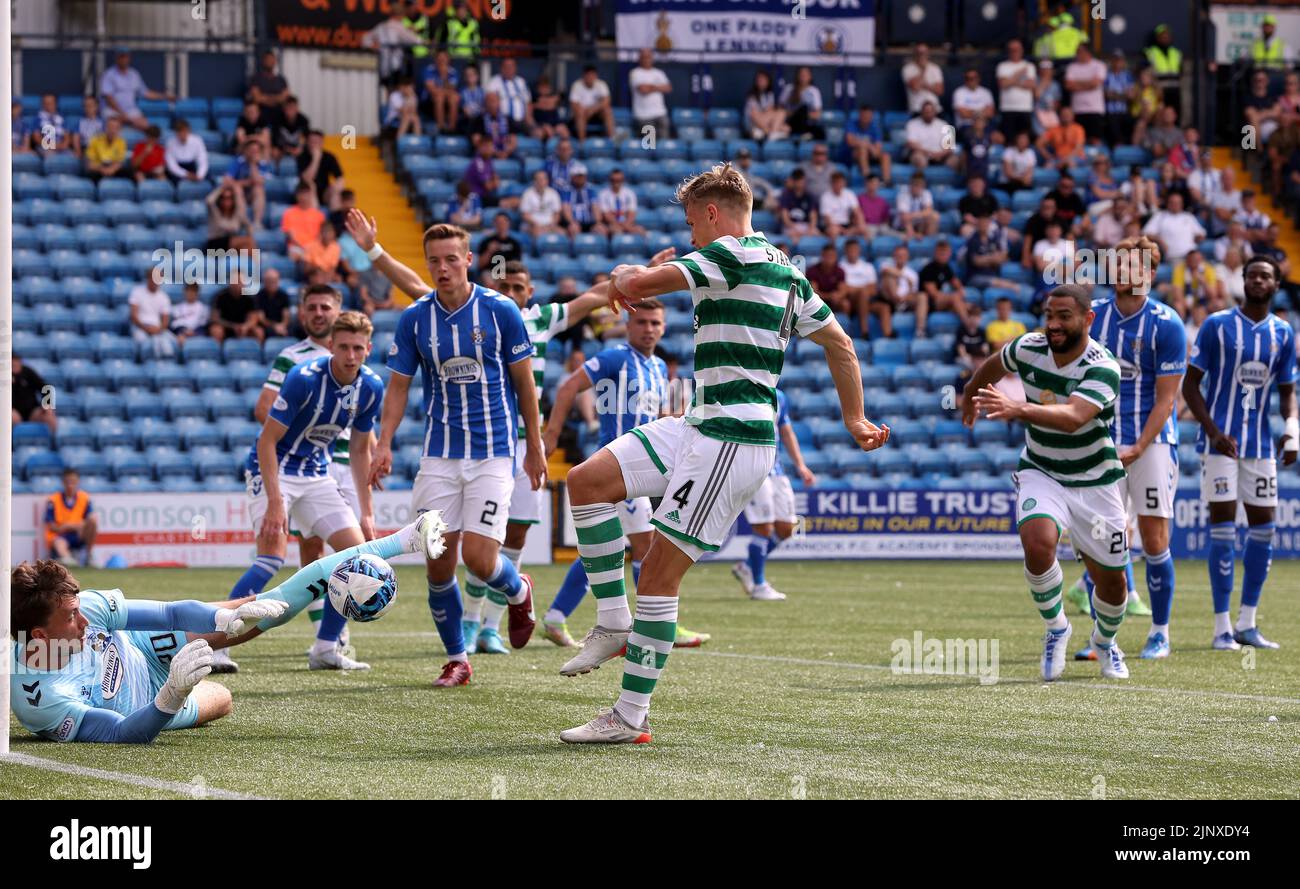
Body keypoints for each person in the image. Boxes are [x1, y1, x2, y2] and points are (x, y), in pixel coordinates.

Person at [554, 163, 889, 744]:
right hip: (698, 423)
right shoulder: (787, 269)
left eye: (691, 224)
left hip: (729, 440)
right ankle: (612, 622)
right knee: (586, 482)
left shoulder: (729, 253)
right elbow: (841, 343)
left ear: (714, 213)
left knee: (658, 573)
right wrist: (853, 417)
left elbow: (632, 287)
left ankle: (629, 717)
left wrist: (625, 273)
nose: (690, 237)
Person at [9, 516, 444, 743]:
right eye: (71, 619)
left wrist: (218, 620)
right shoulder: (41, 700)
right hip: (148, 702)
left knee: (254, 613)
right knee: (224, 700)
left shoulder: (78, 606)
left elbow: (168, 614)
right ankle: (404, 538)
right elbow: (123, 735)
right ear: (40, 637)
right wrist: (170, 697)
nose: (84, 619)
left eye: (79, 608)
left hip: (141, 646)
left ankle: (404, 539)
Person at [348, 212, 546, 687]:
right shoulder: (416, 319)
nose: (443, 268)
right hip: (438, 456)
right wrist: (386, 443)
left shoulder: (501, 311)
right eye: (434, 261)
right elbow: (398, 388)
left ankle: (519, 591)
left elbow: (525, 384)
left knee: (479, 558)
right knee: (437, 564)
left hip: (495, 452)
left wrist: (535, 446)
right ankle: (458, 658)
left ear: (469, 260)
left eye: (451, 259)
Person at [965, 284, 1133, 681]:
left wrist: (1018, 408)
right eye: (1049, 316)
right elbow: (996, 362)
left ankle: (1105, 642)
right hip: (1042, 470)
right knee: (1038, 545)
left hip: (1095, 479)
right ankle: (1057, 628)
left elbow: (1075, 416)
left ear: (1088, 319)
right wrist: (972, 390)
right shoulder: (1029, 347)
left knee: (1113, 581)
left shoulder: (1103, 366)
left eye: (1064, 317)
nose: (1054, 325)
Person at [218, 311, 384, 675]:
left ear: (368, 349)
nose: (350, 355)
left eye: (358, 348)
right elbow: (266, 442)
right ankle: (215, 644)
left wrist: (367, 511)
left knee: (359, 560)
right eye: (343, 347)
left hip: (316, 474)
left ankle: (325, 648)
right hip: (273, 468)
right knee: (272, 557)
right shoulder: (303, 378)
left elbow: (359, 451)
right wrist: (277, 503)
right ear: (330, 346)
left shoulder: (371, 387)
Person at [1061, 238, 1185, 656]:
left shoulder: (1167, 323)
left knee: (1153, 540)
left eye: (1133, 265)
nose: (1122, 271)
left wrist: (1138, 446)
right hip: (1101, 442)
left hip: (1152, 445)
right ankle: (1102, 638)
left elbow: (1167, 399)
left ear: (1150, 273)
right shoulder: (1092, 316)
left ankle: (1160, 633)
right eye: (1117, 264)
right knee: (1102, 540)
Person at [540, 297, 673, 640]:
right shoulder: (616, 357)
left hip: (640, 471)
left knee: (603, 549)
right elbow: (569, 385)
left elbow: (654, 420)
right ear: (628, 325)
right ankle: (649, 625)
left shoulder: (658, 368)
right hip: (617, 468)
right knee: (646, 545)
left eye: (655, 323)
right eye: (641, 322)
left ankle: (556, 616)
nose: (648, 329)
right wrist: (552, 433)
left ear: (664, 327)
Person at [1183, 255, 1297, 651]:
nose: (1257, 280)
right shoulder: (1217, 325)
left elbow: (1287, 394)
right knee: (1224, 529)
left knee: (1264, 528)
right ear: (1243, 281)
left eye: (1265, 275)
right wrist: (1212, 431)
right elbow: (1190, 385)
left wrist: (1291, 433)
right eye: (1251, 275)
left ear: (1276, 284)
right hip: (1221, 447)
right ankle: (1221, 627)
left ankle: (1248, 623)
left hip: (1261, 446)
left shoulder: (1283, 333)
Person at [730, 388, 817, 601]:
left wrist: (800, 465)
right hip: (753, 469)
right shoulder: (742, 392)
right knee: (764, 527)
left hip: (777, 469)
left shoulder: (780, 397)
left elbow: (786, 431)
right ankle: (759, 585)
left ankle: (747, 567)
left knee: (787, 528)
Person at [99, 49, 171, 131]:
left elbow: (146, 93)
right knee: (113, 126)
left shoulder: (134, 74)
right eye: (121, 57)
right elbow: (108, 98)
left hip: (130, 111)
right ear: (117, 59)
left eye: (125, 57)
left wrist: (165, 96)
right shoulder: (109, 74)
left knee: (147, 126)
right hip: (112, 111)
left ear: (129, 58)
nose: (123, 59)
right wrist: (122, 114)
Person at [918, 239, 973, 334]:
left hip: (942, 300)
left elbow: (957, 283)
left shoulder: (946, 267)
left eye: (946, 253)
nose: (944, 256)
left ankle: (968, 333)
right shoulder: (928, 269)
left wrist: (960, 292)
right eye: (941, 253)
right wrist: (953, 297)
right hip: (930, 303)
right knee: (955, 298)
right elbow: (933, 294)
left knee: (969, 306)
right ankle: (968, 326)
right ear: (935, 253)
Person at [44, 469, 96, 566]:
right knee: (59, 543)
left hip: (78, 534)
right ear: (63, 483)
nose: (70, 485)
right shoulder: (53, 499)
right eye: (67, 482)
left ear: (78, 482)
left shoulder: (84, 498)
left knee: (93, 520)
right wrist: (65, 527)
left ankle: (89, 556)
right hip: (61, 535)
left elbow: (89, 519)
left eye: (73, 482)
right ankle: (69, 560)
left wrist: (71, 526)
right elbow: (51, 525)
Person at [1142, 193, 1205, 263]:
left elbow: (1201, 233)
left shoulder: (1188, 216)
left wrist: (1198, 237)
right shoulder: (1160, 216)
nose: (1175, 205)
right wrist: (1160, 240)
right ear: (1168, 203)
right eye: (1172, 202)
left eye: (1178, 202)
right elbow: (1146, 233)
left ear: (1182, 204)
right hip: (1174, 256)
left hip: (1191, 254)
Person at [128, 268, 176, 358]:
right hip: (140, 327)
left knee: (173, 342)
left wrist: (158, 329)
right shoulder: (137, 292)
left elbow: (165, 320)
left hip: (157, 328)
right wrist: (146, 328)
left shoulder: (164, 297)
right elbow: (133, 316)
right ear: (148, 278)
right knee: (143, 342)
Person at [226, 140, 272, 230]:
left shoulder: (263, 164)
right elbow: (227, 181)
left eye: (256, 151)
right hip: (238, 194)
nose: (253, 153)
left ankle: (257, 222)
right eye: (251, 150)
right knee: (237, 188)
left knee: (258, 188)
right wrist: (245, 183)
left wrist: (253, 164)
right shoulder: (238, 161)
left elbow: (259, 181)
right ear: (245, 151)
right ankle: (243, 220)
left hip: (252, 194)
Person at [997, 39, 1037, 141]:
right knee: (1009, 139)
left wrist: (1010, 81)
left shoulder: (1029, 66)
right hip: (1007, 108)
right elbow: (1002, 84)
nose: (1014, 52)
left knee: (1024, 138)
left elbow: (1031, 84)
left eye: (1017, 49)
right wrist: (1019, 74)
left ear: (1022, 50)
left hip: (1025, 108)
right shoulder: (1002, 66)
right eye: (1012, 50)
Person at [298, 129, 345, 210]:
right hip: (306, 190)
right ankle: (315, 217)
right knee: (311, 185)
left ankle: (336, 218)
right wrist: (316, 159)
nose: (314, 144)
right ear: (307, 142)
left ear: (322, 143)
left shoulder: (329, 157)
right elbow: (306, 179)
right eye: (312, 141)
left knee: (337, 190)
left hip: (325, 193)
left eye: (317, 142)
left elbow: (340, 177)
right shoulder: (302, 157)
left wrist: (335, 188)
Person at [630, 48, 671, 138]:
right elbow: (643, 90)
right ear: (640, 59)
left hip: (660, 113)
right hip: (643, 115)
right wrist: (658, 87)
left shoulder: (659, 73)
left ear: (652, 58)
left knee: (664, 146)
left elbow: (668, 88)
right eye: (644, 57)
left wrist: (650, 87)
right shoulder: (635, 73)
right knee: (649, 145)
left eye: (648, 57)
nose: (646, 59)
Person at [844, 104, 891, 183]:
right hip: (852, 154)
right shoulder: (851, 124)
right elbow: (850, 142)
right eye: (864, 115)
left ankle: (886, 181)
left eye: (868, 115)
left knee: (886, 156)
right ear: (860, 115)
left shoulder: (875, 127)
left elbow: (877, 149)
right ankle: (869, 179)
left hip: (870, 153)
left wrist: (867, 146)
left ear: (872, 116)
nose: (866, 117)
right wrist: (867, 145)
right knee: (863, 150)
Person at [208, 274, 261, 343]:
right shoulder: (220, 296)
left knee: (259, 332)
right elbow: (215, 318)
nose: (237, 284)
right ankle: (218, 351)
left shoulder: (250, 297)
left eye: (239, 281)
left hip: (244, 328)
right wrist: (233, 326)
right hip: (225, 327)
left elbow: (254, 318)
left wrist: (245, 326)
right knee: (216, 330)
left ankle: (258, 352)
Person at [569, 65, 616, 142]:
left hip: (597, 113)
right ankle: (582, 143)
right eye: (588, 75)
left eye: (592, 75)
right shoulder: (576, 85)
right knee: (580, 112)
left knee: (607, 111)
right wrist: (585, 110)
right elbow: (574, 104)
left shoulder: (601, 84)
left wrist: (593, 109)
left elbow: (607, 101)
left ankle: (613, 140)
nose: (590, 77)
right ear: (584, 75)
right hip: (582, 114)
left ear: (596, 76)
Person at [11, 355, 56, 434]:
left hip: (32, 411)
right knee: (10, 417)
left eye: (16, 361)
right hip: (13, 411)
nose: (15, 365)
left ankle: (52, 442)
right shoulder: (3, 375)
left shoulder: (28, 372)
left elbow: (47, 388)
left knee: (49, 417)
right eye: (12, 363)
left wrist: (47, 405)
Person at [904, 101, 956, 169]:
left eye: (931, 112)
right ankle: (921, 179)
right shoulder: (912, 123)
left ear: (935, 112)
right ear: (921, 112)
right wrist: (929, 153)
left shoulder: (944, 123)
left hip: (941, 155)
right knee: (919, 159)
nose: (928, 114)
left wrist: (939, 154)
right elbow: (911, 144)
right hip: (922, 154)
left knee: (955, 160)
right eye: (926, 112)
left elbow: (950, 147)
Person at [780, 66, 825, 140]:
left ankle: (806, 136)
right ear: (797, 76)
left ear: (810, 77)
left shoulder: (814, 91)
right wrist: (793, 114)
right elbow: (780, 109)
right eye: (801, 74)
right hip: (791, 122)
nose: (803, 77)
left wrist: (803, 115)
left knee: (820, 132)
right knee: (802, 109)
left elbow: (817, 114)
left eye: (806, 75)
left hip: (807, 123)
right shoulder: (789, 89)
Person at [205, 183, 254, 251]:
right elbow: (209, 201)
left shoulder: (237, 215)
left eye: (230, 198)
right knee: (248, 241)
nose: (226, 201)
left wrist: (236, 190)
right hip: (214, 246)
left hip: (229, 246)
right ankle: (257, 261)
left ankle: (252, 261)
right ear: (220, 199)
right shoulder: (215, 213)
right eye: (224, 198)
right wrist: (222, 188)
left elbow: (248, 224)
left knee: (246, 248)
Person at [595, 168, 645, 235]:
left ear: (623, 180)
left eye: (618, 180)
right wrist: (620, 225)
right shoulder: (603, 194)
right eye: (613, 180)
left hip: (627, 223)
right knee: (616, 231)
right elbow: (606, 215)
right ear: (610, 180)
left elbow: (632, 213)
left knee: (640, 230)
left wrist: (626, 225)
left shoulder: (629, 193)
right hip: (611, 225)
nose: (616, 182)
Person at [819, 171, 867, 239]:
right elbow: (827, 219)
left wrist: (861, 224)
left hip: (847, 224)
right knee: (833, 231)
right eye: (836, 182)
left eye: (841, 182)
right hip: (832, 225)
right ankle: (834, 249)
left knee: (864, 229)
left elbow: (857, 212)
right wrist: (842, 230)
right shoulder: (825, 196)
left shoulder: (849, 194)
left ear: (844, 183)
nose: (839, 185)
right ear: (832, 183)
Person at [486, 57, 532, 127]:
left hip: (523, 122)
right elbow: (491, 104)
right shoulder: (494, 82)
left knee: (541, 133)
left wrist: (528, 118)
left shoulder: (521, 81)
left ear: (515, 68)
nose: (509, 69)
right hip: (504, 123)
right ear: (501, 68)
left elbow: (528, 102)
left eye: (511, 66)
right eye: (506, 66)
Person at [472, 90, 519, 160]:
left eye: (494, 101)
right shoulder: (478, 119)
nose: (492, 104)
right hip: (487, 154)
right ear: (485, 103)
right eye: (489, 101)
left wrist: (506, 152)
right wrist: (495, 153)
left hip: (506, 152)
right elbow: (476, 141)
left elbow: (513, 140)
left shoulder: (508, 119)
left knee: (521, 159)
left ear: (499, 102)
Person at [744, 70, 787, 142]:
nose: (761, 82)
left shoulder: (770, 94)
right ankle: (771, 133)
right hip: (753, 123)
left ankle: (768, 134)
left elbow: (770, 111)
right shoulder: (751, 95)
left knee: (785, 123)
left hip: (766, 122)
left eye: (764, 80)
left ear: (768, 81)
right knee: (754, 114)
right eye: (759, 80)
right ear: (756, 81)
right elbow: (753, 115)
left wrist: (769, 113)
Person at [807, 244, 850, 315]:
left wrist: (837, 296)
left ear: (836, 257)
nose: (830, 258)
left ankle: (845, 324)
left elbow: (843, 290)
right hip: (819, 300)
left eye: (832, 256)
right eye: (827, 256)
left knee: (845, 304)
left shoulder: (840, 271)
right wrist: (829, 296)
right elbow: (814, 292)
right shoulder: (813, 271)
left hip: (834, 300)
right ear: (822, 256)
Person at [778, 168, 817, 246]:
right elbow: (785, 217)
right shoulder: (786, 195)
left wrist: (811, 228)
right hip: (791, 226)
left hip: (805, 225)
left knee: (818, 235)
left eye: (801, 181)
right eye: (798, 181)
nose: (800, 183)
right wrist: (794, 228)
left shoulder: (809, 196)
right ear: (793, 181)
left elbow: (813, 215)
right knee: (794, 239)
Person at [901, 43, 944, 114]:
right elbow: (915, 87)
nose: (921, 55)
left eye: (924, 53)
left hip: (934, 109)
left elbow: (939, 91)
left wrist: (924, 85)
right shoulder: (907, 69)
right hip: (917, 109)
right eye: (919, 53)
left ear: (928, 54)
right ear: (915, 54)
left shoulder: (935, 68)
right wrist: (922, 70)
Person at [895, 172, 940, 238]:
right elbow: (904, 218)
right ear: (910, 184)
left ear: (923, 185)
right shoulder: (902, 195)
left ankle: (929, 241)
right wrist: (913, 234)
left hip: (917, 223)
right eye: (915, 184)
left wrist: (912, 215)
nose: (917, 187)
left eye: (920, 185)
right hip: (902, 227)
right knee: (906, 220)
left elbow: (929, 211)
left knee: (935, 216)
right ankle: (916, 238)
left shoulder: (926, 193)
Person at [952, 68, 995, 136]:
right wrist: (981, 112)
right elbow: (963, 114)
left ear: (978, 78)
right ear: (965, 80)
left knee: (999, 138)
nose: (971, 80)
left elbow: (990, 113)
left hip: (985, 125)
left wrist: (971, 112)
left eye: (974, 78)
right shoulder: (959, 92)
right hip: (966, 125)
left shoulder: (986, 92)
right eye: (968, 78)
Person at [84, 115, 127, 181]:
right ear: (106, 128)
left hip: (112, 169)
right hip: (98, 168)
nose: (112, 130)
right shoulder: (95, 140)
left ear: (119, 130)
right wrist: (102, 169)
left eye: (115, 128)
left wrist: (111, 169)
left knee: (127, 172)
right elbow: (90, 164)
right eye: (110, 127)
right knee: (91, 174)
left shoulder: (121, 142)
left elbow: (119, 162)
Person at [520, 169, 563, 236]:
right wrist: (536, 224)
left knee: (562, 233)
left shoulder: (553, 193)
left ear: (547, 181)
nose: (541, 181)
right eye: (539, 179)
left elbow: (557, 214)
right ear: (534, 181)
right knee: (537, 232)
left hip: (549, 225)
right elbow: (525, 215)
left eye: (544, 179)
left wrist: (552, 224)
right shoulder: (527, 193)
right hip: (532, 225)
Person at [559, 163, 599, 236]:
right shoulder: (566, 190)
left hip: (589, 222)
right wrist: (572, 222)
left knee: (600, 229)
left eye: (582, 176)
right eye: (577, 176)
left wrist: (598, 222)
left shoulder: (590, 190)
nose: (580, 179)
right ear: (572, 177)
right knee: (573, 229)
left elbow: (595, 207)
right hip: (573, 222)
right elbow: (565, 208)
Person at [165, 118, 208, 183]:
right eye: (179, 132)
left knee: (208, 179)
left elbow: (203, 160)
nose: (182, 134)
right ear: (176, 133)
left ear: (188, 131)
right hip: (178, 170)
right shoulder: (170, 143)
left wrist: (200, 175)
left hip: (192, 167)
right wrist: (185, 174)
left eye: (184, 131)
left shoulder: (197, 141)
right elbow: (171, 165)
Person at [530, 75, 568, 142]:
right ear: (538, 88)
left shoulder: (554, 97)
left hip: (554, 123)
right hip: (541, 124)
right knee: (547, 132)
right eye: (542, 87)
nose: (545, 89)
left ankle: (564, 148)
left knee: (564, 131)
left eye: (546, 87)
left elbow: (561, 96)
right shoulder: (534, 99)